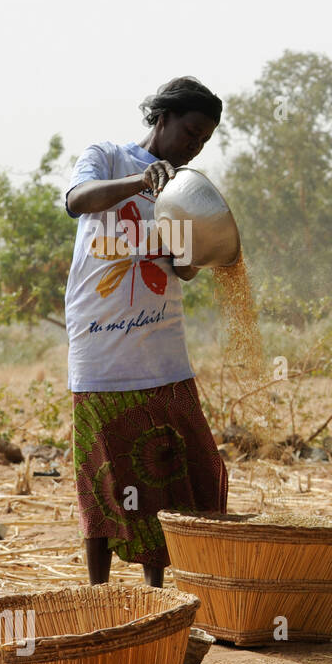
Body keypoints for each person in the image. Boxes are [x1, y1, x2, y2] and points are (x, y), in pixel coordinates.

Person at [64, 76, 229, 588]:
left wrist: (206, 248)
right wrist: (142, 183)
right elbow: (77, 200)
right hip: (101, 348)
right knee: (103, 474)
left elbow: (181, 269)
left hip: (162, 351)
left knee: (172, 470)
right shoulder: (108, 156)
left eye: (204, 139)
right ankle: (99, 597)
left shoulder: (183, 188)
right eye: (190, 131)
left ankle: (156, 599)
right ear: (162, 119)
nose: (194, 144)